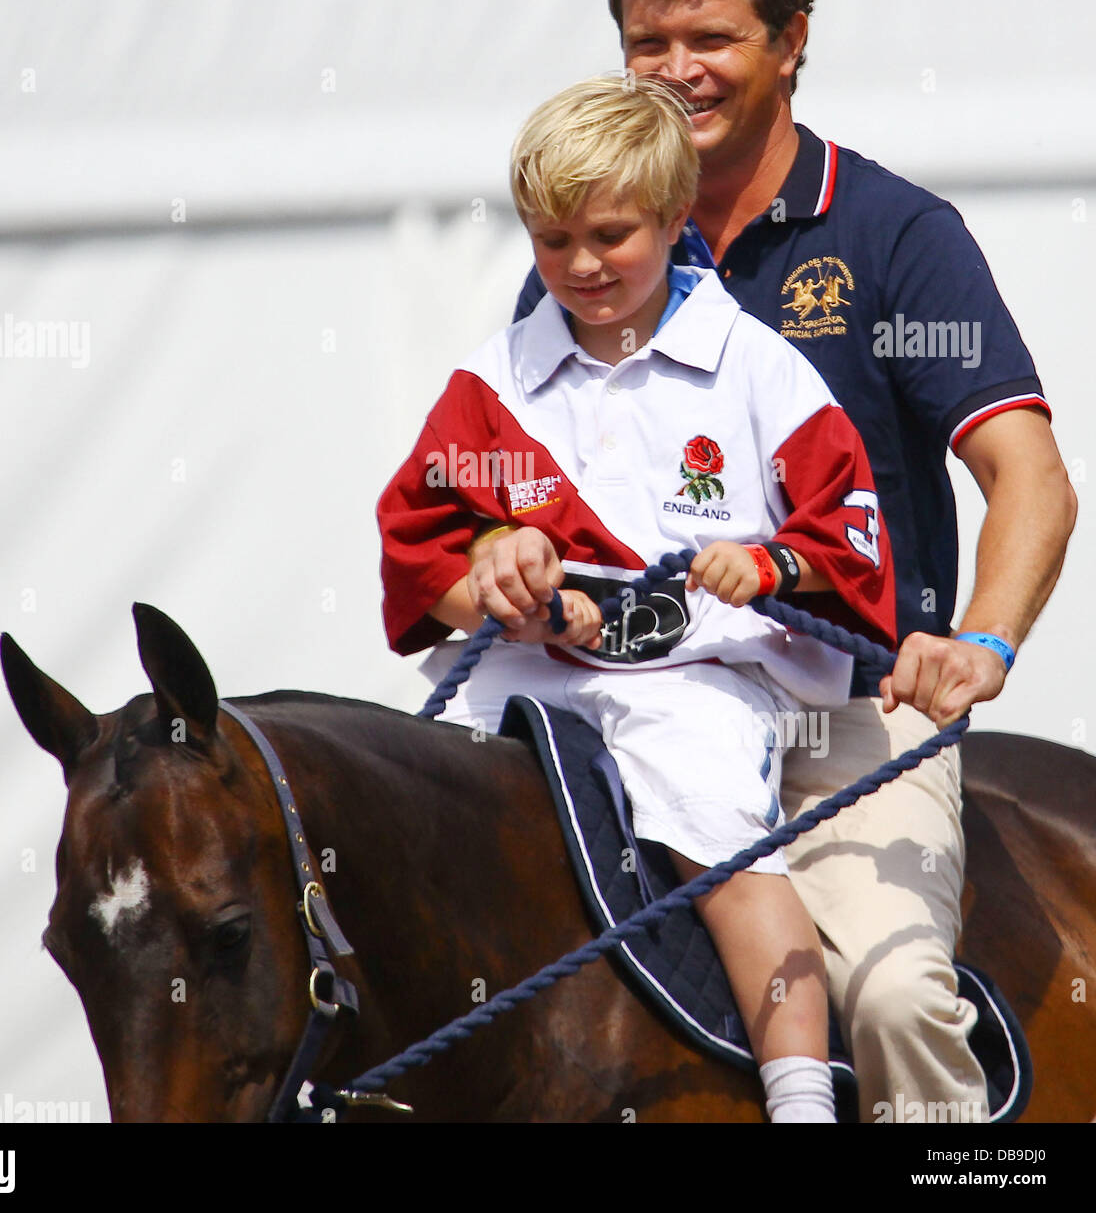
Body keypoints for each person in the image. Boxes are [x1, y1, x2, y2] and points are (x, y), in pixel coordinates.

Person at [468, 0, 1077, 1122]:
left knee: (899, 998)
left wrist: (983, 642)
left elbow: (1030, 479)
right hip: (621, 706)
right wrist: (501, 554)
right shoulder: (595, 242)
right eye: (648, 44)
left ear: (790, 42)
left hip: (841, 723)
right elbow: (501, 481)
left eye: (710, 40)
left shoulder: (894, 235)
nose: (675, 71)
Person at [378, 73, 899, 1123]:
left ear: (671, 221)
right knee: (409, 817)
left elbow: (846, 528)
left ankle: (799, 1098)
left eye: (609, 235)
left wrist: (767, 566)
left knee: (720, 844)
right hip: (520, 677)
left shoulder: (757, 368)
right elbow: (413, 546)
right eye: (550, 239)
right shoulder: (490, 383)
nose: (578, 265)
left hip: (691, 676)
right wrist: (493, 573)